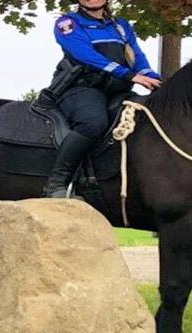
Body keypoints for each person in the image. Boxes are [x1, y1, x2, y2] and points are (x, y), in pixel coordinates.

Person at [42, 0, 161, 198]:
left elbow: (137, 57)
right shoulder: (68, 23)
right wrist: (129, 75)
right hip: (81, 88)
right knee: (93, 123)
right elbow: (85, 55)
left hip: (117, 91)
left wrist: (153, 78)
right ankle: (56, 183)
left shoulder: (121, 26)